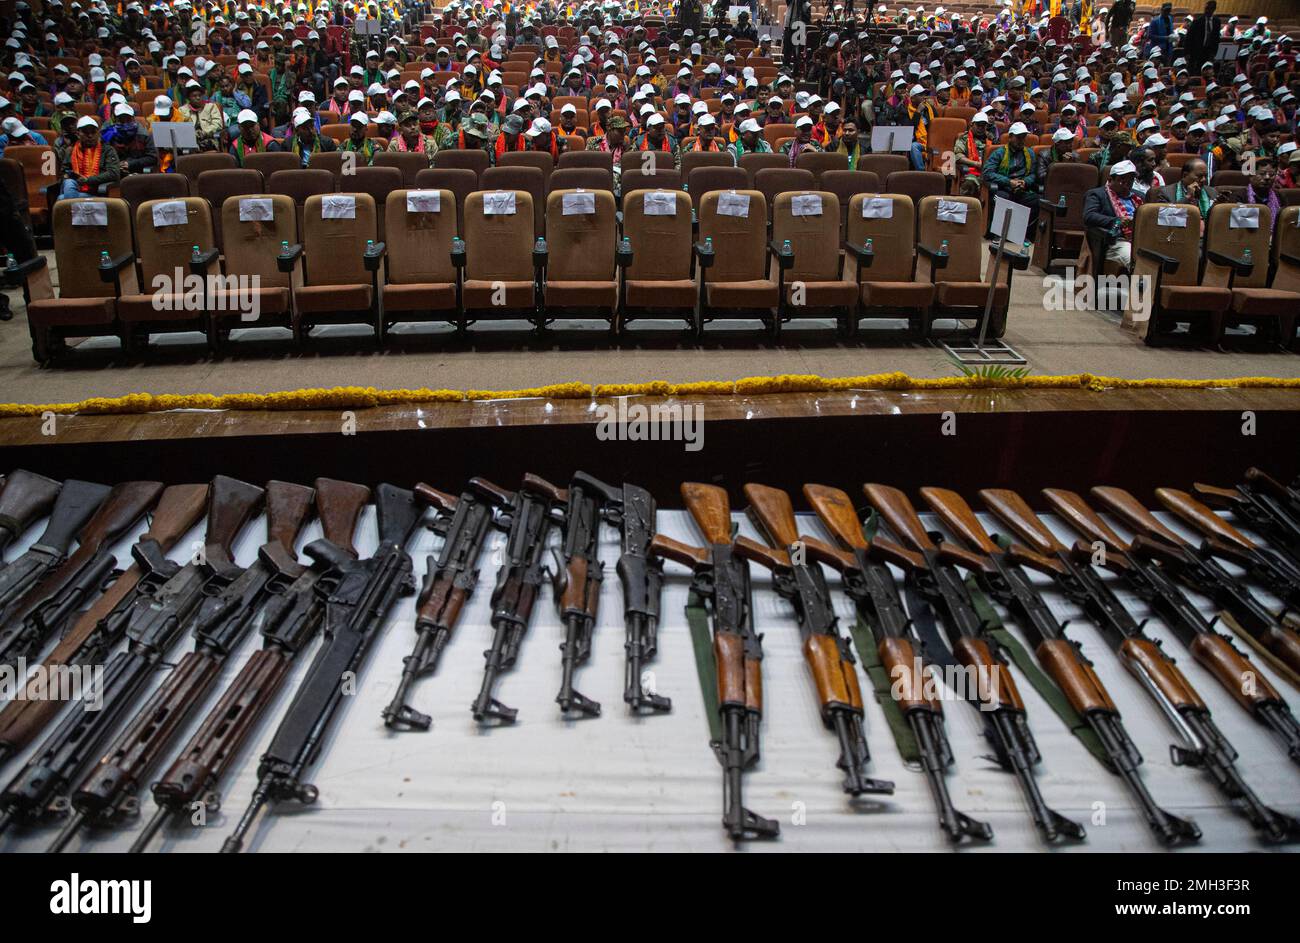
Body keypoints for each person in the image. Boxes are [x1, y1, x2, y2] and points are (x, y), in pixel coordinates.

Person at [983, 122, 1043, 230]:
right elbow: (987, 173)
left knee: (1039, 200)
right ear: (1010, 137)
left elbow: (1034, 174)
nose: (1021, 140)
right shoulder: (999, 153)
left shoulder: (1030, 153)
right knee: (1001, 198)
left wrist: (1025, 182)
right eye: (1018, 137)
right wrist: (1009, 182)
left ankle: (1022, 230)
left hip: (1022, 188)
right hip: (1004, 188)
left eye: (1023, 137)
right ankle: (998, 232)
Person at [1082, 159, 1140, 269]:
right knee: (1137, 261)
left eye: (1131, 180)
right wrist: (1116, 220)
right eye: (1122, 180)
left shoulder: (1138, 196)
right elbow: (1089, 216)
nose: (1127, 185)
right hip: (1116, 241)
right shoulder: (1097, 194)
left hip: (1140, 239)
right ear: (1110, 179)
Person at [58, 115, 120, 200]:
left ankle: (72, 209)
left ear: (98, 133)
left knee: (61, 199)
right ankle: (74, 208)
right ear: (78, 134)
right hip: (76, 187)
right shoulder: (71, 150)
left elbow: (113, 173)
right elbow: (64, 171)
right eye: (86, 132)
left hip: (97, 190)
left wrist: (88, 180)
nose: (90, 136)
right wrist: (66, 175)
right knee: (69, 183)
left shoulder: (107, 150)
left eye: (93, 132)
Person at [1144, 158, 1222, 215]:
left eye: (1205, 176)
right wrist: (1187, 197)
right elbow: (1166, 218)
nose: (1203, 180)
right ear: (1185, 175)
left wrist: (1218, 205)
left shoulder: (1212, 192)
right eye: (1199, 176)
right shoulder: (1166, 193)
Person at [101, 104, 157, 175]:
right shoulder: (109, 135)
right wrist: (118, 166)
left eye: (128, 119)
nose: (125, 123)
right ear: (115, 120)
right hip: (116, 172)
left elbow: (152, 158)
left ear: (133, 118)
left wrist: (130, 164)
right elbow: (104, 158)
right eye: (121, 120)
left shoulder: (144, 134)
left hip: (139, 170)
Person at [1185, 1, 1223, 72]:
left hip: (1209, 52)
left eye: (1210, 8)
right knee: (1196, 71)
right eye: (1206, 8)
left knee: (1207, 72)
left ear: (1214, 9)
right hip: (1197, 51)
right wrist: (1187, 53)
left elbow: (1216, 38)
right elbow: (1189, 38)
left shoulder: (1217, 21)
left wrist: (1214, 53)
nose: (1207, 10)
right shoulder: (1197, 21)